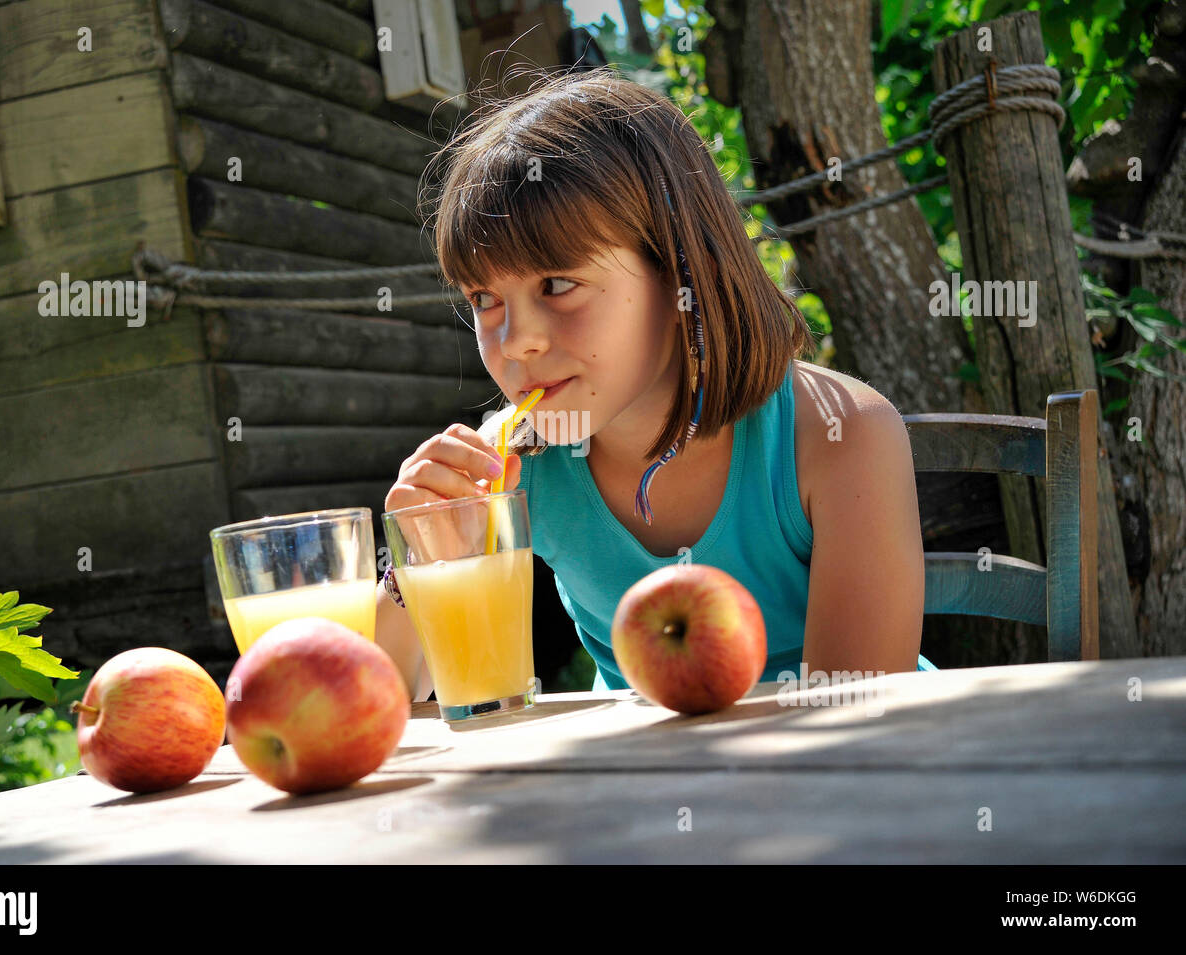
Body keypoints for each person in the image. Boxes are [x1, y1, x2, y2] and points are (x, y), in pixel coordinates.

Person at [376, 66, 934, 701]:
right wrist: (419, 563)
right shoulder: (513, 469)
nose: (515, 341)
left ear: (678, 278)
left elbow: (859, 723)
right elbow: (377, 703)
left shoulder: (839, 435)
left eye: (558, 285)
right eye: (484, 299)